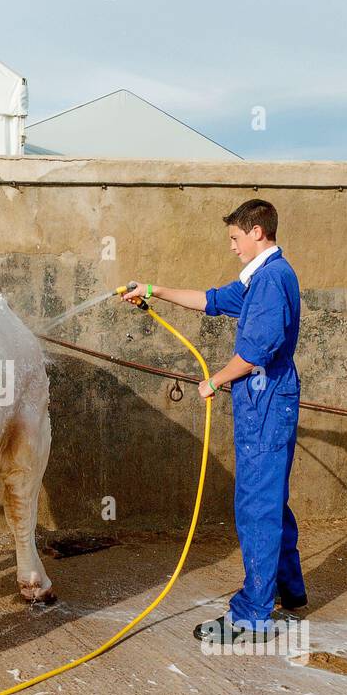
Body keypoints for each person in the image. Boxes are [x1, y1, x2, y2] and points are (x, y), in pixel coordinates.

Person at [122, 198, 305, 642]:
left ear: (257, 232)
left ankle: (252, 616)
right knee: (270, 498)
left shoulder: (272, 279)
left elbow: (255, 351)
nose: (233, 247)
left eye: (235, 238)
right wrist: (155, 290)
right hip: (264, 401)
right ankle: (289, 589)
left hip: (264, 402)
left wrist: (214, 381)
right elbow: (210, 301)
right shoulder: (259, 278)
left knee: (256, 506)